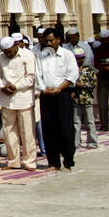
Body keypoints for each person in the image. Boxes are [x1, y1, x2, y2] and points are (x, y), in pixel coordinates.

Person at [35, 28, 78, 173]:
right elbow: (38, 76)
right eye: (46, 40)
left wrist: (59, 88)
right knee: (49, 129)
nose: (48, 43)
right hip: (46, 95)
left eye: (51, 40)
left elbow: (72, 75)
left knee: (65, 129)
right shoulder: (41, 56)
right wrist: (43, 89)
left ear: (58, 40)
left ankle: (68, 161)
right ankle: (53, 162)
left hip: (62, 94)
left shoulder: (67, 55)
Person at [0, 35, 38, 171]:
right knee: (9, 131)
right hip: (6, 98)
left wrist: (16, 86)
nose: (8, 54)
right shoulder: (0, 57)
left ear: (15, 46)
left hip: (23, 97)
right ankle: (13, 161)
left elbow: (31, 77)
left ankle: (29, 161)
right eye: (6, 52)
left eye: (10, 51)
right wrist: (2, 86)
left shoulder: (27, 55)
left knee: (27, 131)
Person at [71, 50, 99, 148]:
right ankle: (76, 142)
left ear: (83, 58)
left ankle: (92, 142)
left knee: (90, 122)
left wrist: (83, 85)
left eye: (80, 58)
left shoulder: (89, 70)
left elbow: (93, 83)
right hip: (76, 99)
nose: (78, 60)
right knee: (76, 122)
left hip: (87, 98)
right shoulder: (72, 69)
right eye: (77, 58)